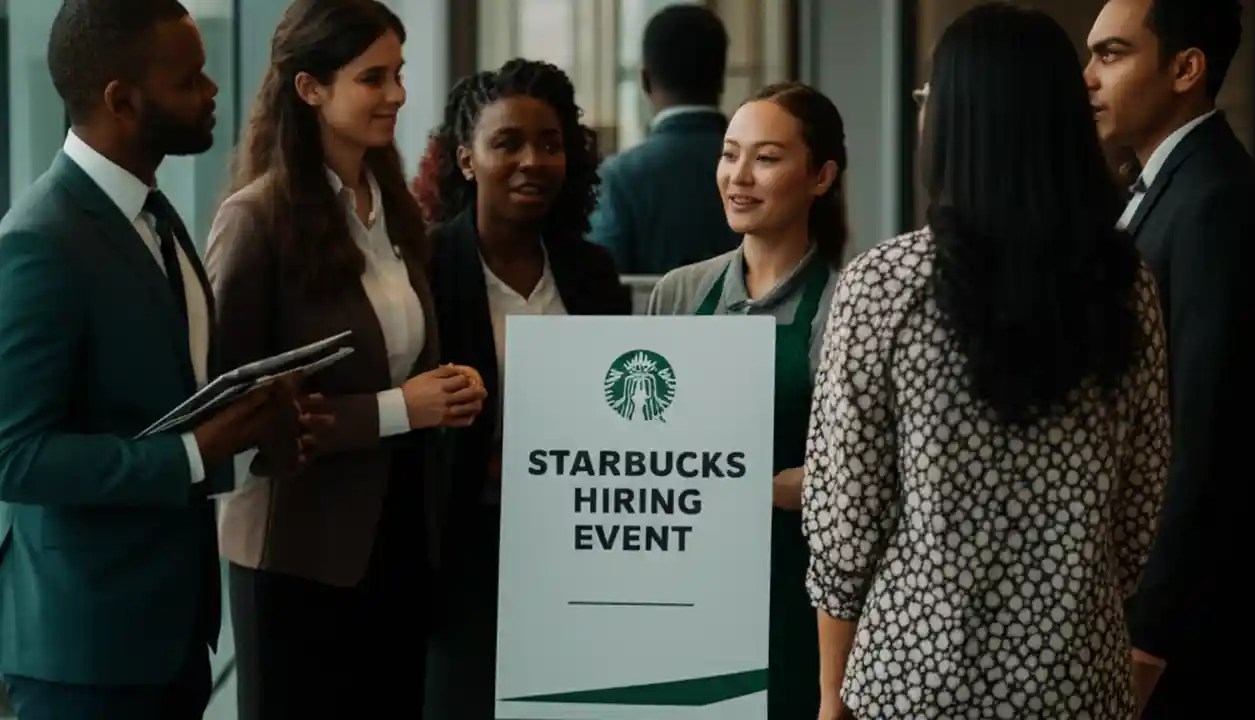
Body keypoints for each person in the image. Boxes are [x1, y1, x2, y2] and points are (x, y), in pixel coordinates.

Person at [805, 5, 1171, 719]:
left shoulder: (885, 284)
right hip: (1079, 681)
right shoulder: (1126, 285)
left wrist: (829, 691)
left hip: (915, 681)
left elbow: (843, 521)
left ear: (952, 120)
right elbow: (1140, 507)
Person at [0, 1, 300, 718]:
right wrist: (196, 455)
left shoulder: (156, 217)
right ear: (121, 99)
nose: (213, 90)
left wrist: (252, 435)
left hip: (172, 635)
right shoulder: (41, 239)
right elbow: (15, 456)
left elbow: (159, 404)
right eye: (189, 79)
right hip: (86, 651)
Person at [203, 1, 486, 717]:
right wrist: (402, 408)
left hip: (397, 542)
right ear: (310, 89)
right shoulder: (254, 219)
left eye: (398, 73)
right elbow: (236, 413)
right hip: (298, 552)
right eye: (373, 78)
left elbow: (405, 362)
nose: (396, 94)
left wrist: (446, 390)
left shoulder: (393, 210)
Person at [414, 58, 630, 719]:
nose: (532, 161)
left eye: (550, 143)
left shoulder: (592, 274)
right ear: (467, 159)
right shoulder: (423, 268)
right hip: (460, 556)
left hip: (577, 550)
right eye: (507, 143)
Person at [1085, 0, 1255, 714]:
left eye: (1111, 55)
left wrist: (1149, 639)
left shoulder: (1218, 204)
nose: (1088, 77)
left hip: (1186, 633)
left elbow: (1211, 439)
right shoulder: (1159, 187)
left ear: (1185, 69)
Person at [647, 81, 846, 719]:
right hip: (684, 583)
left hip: (799, 590)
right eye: (730, 155)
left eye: (766, 158)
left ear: (821, 177)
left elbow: (881, 466)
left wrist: (809, 486)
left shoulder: (850, 302)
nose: (739, 176)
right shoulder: (678, 292)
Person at [586, 3, 739, 275]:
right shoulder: (764, 169)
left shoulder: (620, 177)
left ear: (645, 80)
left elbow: (599, 286)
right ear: (721, 79)